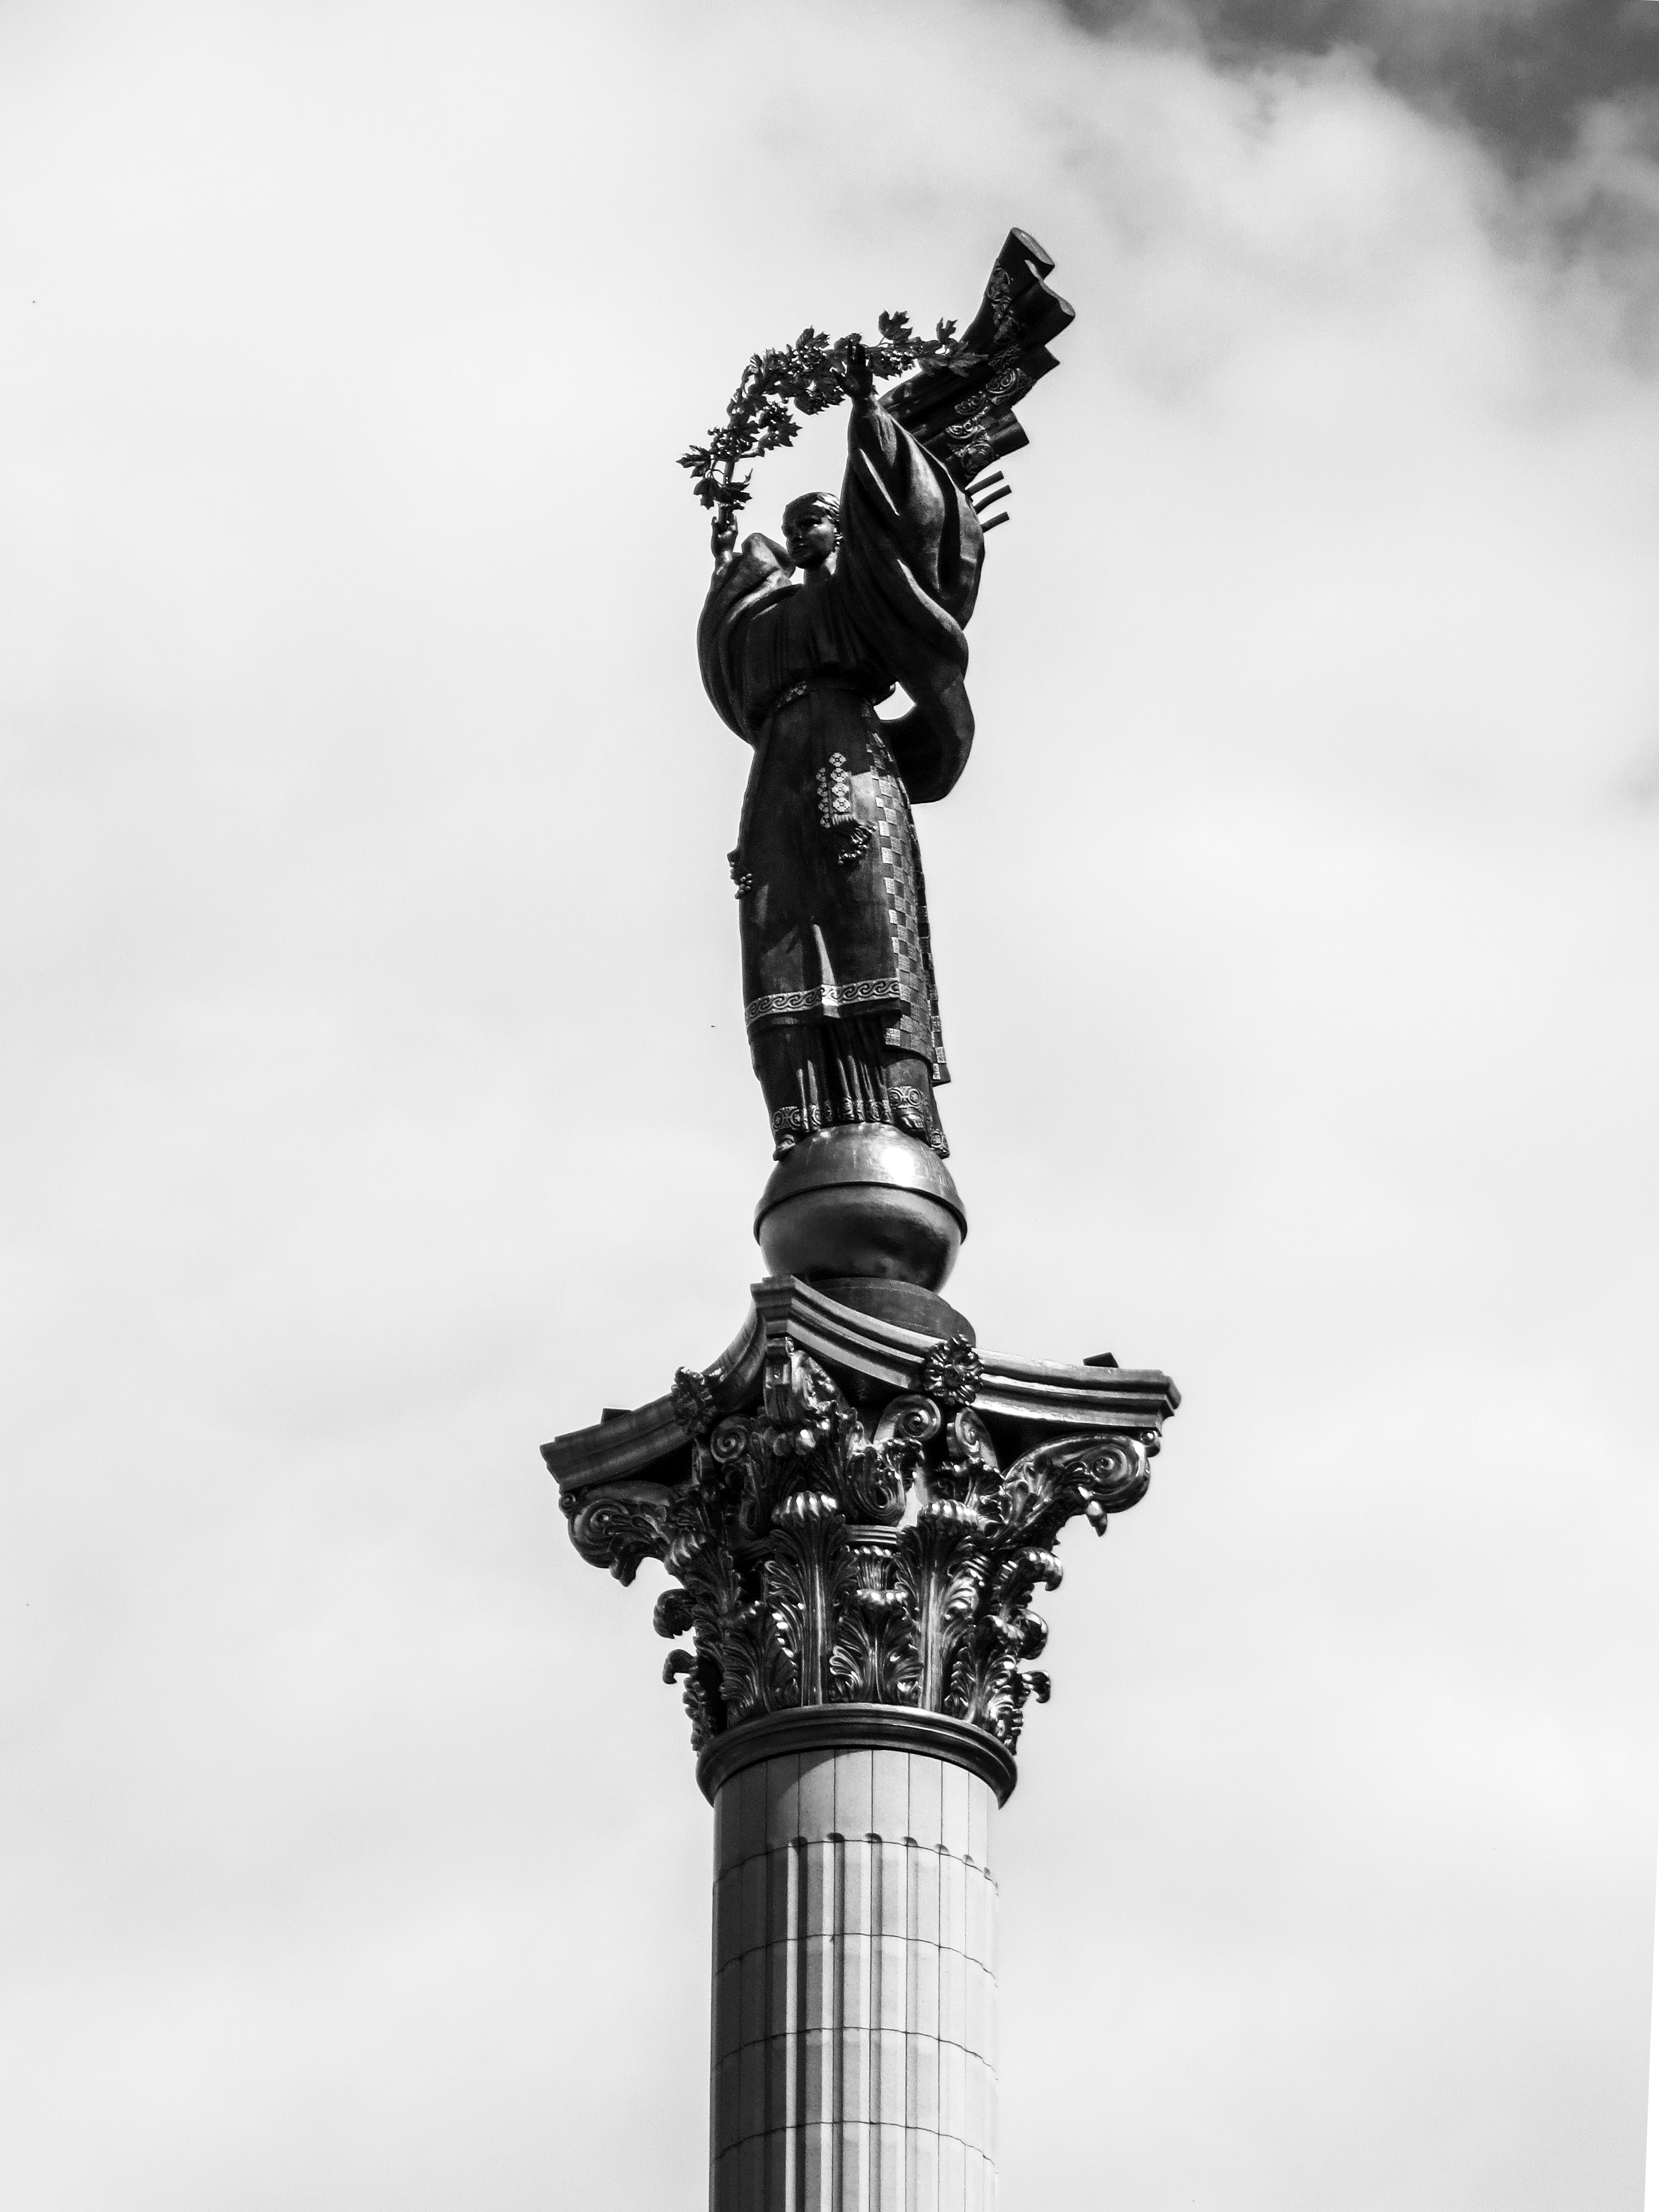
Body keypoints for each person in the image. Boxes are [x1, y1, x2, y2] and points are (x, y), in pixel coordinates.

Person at [697, 342, 985, 1162]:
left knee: (867, 916)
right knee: (773, 921)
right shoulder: (766, 621)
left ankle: (901, 1101)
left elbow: (901, 512)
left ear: (840, 526)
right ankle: (800, 1109)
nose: (803, 531)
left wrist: (868, 414)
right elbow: (729, 636)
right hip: (778, 770)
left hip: (848, 759)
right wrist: (724, 554)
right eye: (793, 525)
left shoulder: (866, 591)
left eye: (818, 518)